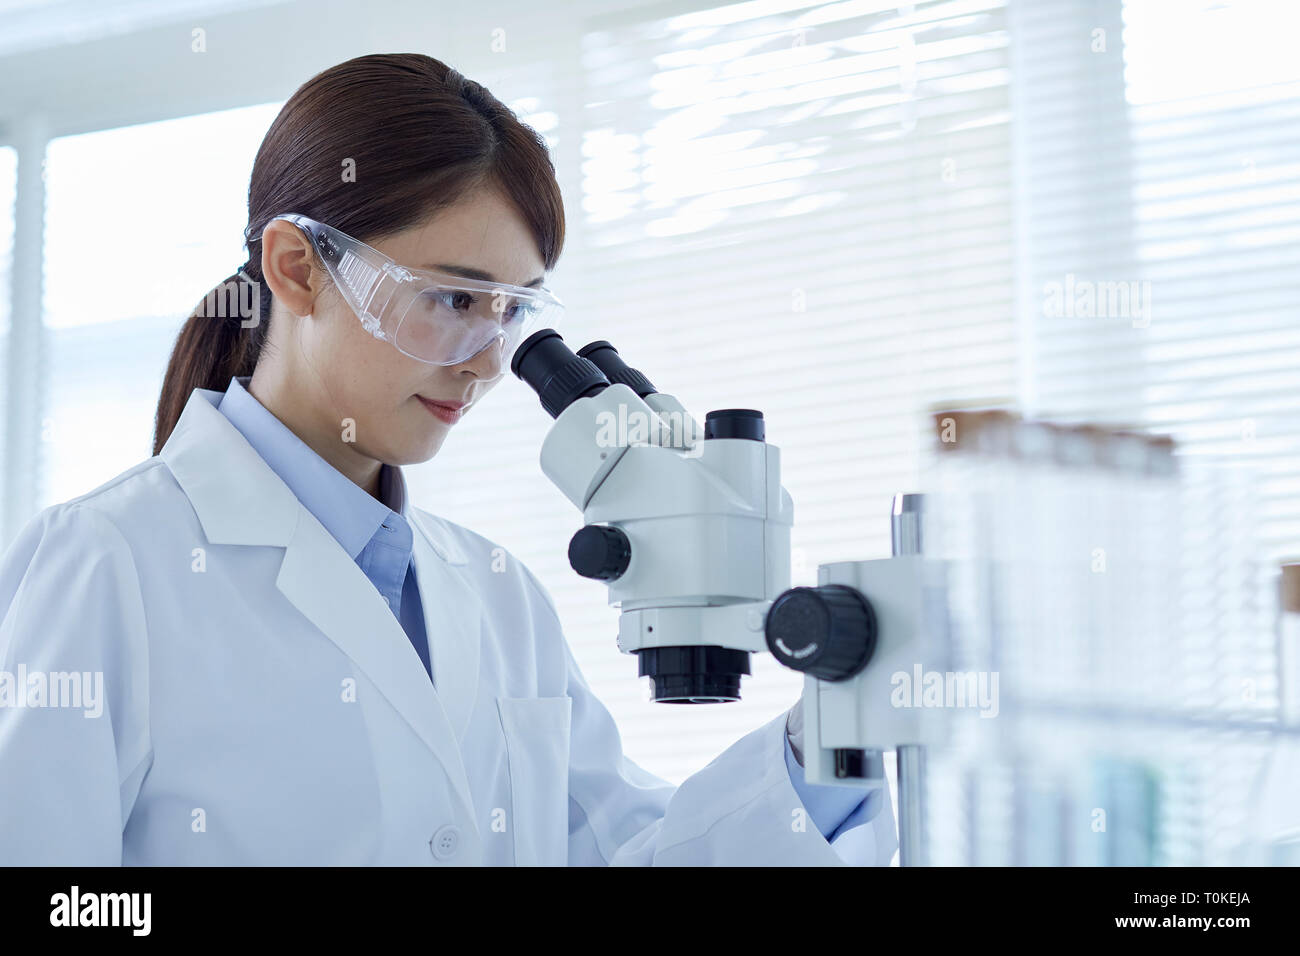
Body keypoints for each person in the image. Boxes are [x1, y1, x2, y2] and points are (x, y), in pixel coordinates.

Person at [0, 53, 895, 865]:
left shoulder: (498, 595)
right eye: (450, 298)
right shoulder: (107, 562)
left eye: (510, 312)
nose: (486, 360)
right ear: (296, 268)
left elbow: (630, 857)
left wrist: (832, 738)